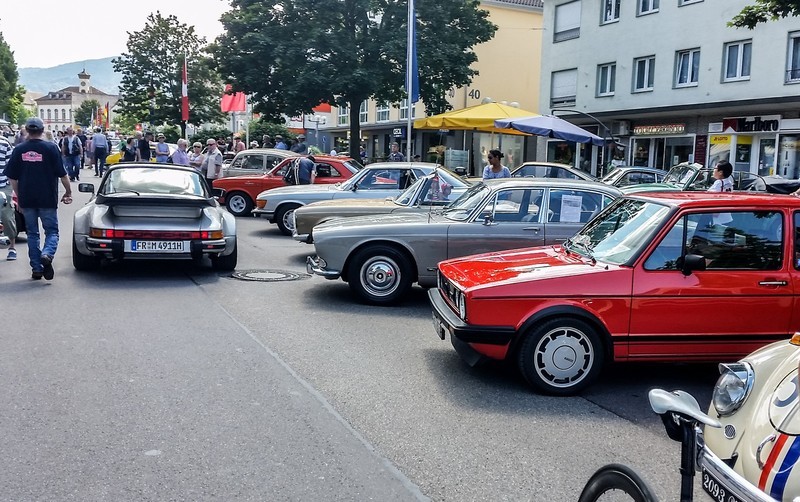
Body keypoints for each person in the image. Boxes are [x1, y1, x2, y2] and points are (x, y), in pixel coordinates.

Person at [3, 117, 73, 280]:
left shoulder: (19, 149)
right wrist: (68, 192)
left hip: (27, 198)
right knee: (52, 231)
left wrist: (19, 196)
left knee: (33, 234)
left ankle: (36, 268)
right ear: (42, 131)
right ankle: (47, 254)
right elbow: (62, 174)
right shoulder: (51, 148)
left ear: (27, 130)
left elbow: (12, 177)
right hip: (47, 197)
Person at [0, 133, 18, 260]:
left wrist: (13, 187)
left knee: (7, 216)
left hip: (3, 185)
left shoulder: (4, 143)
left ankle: (12, 247)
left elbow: (12, 166)